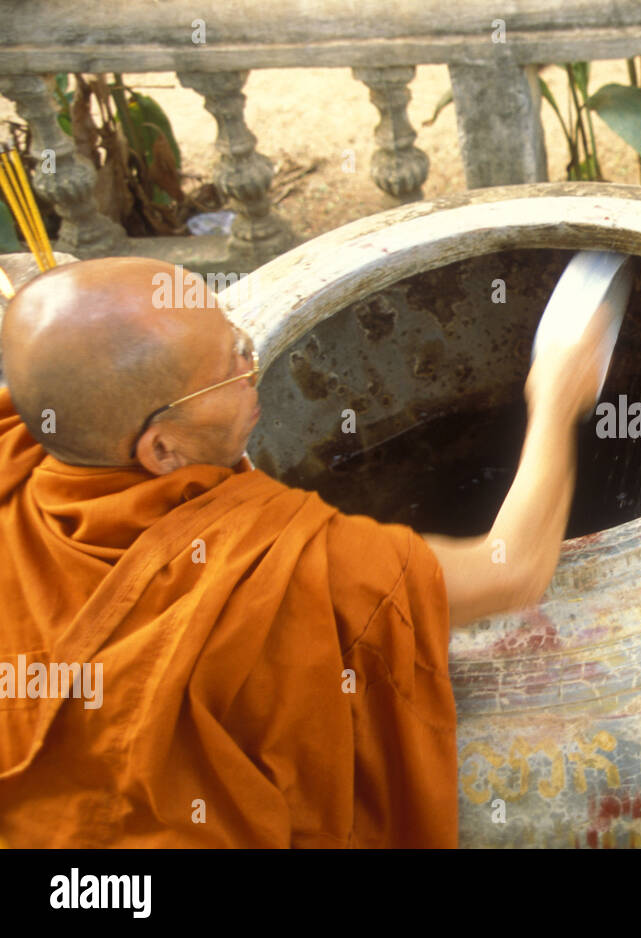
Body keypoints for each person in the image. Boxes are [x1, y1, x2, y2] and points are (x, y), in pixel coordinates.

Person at [0, 257, 604, 847]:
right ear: (162, 450)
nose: (252, 365)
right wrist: (556, 398)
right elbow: (511, 568)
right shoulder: (277, 568)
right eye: (231, 367)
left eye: (239, 339)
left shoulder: (25, 452)